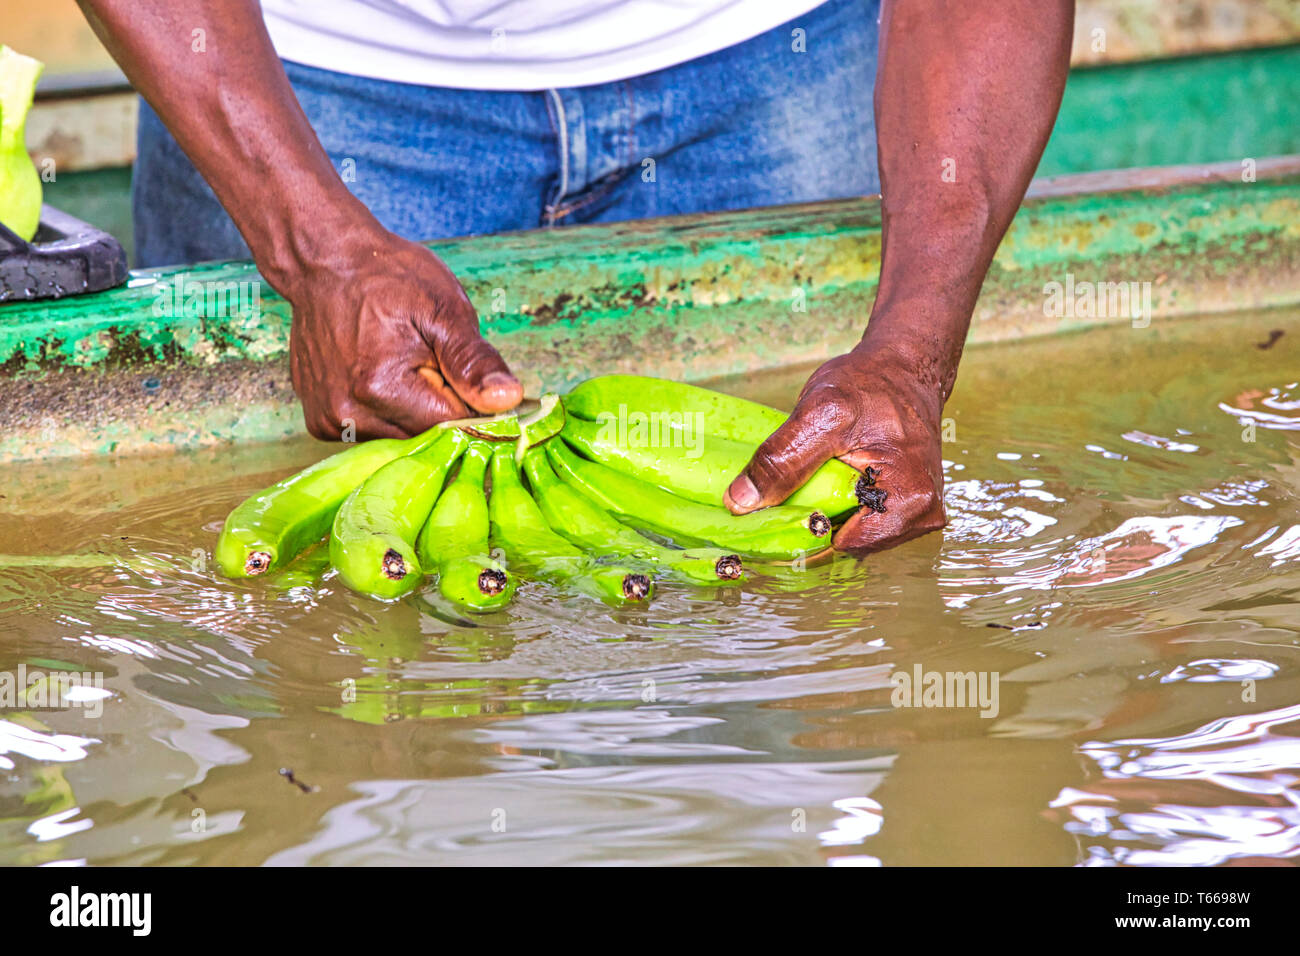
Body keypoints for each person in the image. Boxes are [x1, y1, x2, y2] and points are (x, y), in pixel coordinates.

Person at [77, 0, 1075, 553]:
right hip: (305, 85)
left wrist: (909, 348)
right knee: (311, 641)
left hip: (772, 61)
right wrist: (313, 241)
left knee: (813, 551)